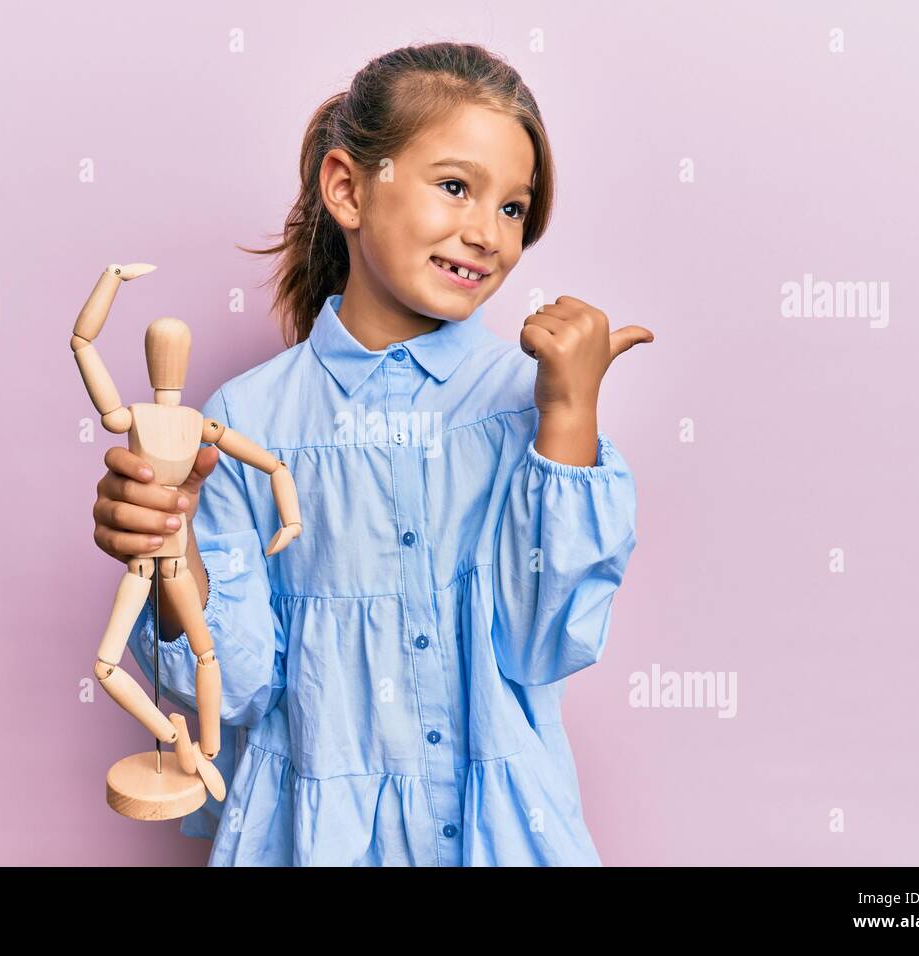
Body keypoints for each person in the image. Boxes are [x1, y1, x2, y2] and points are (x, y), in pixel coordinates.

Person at [90, 40, 653, 865]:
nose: (487, 233)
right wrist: (165, 541)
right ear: (349, 189)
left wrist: (569, 412)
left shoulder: (526, 402)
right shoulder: (245, 419)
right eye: (456, 187)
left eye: (512, 208)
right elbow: (232, 691)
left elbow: (544, 645)